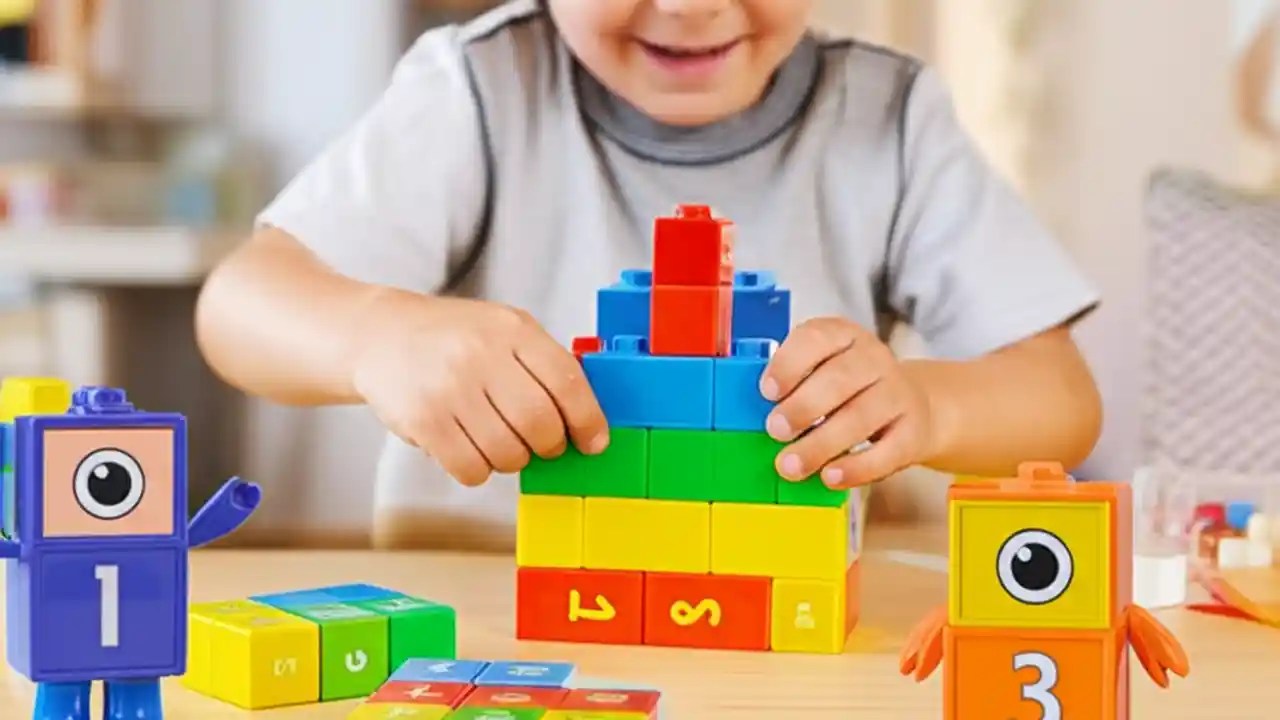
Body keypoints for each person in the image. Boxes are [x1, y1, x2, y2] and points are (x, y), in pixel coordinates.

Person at [195, 0, 1103, 544]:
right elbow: (241, 306)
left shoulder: (893, 119)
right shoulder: (476, 89)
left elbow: (1058, 398)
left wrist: (928, 404)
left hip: (786, 619)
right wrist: (373, 335)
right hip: (490, 600)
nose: (690, 3)